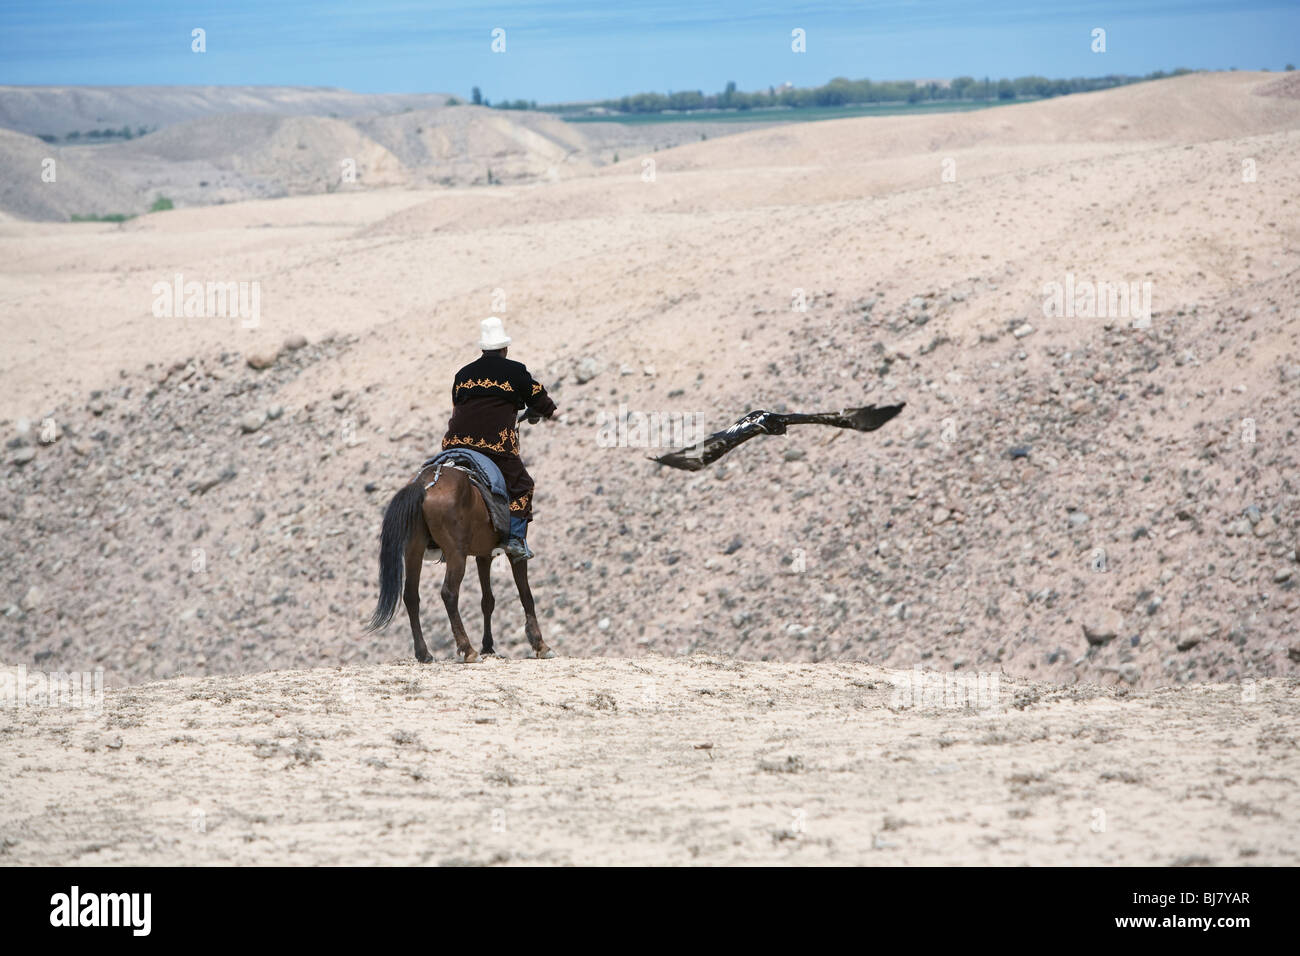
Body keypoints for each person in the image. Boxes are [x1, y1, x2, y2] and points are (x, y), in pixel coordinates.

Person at [441, 317, 556, 561]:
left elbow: (456, 406)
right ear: (505, 349)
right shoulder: (515, 370)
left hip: (454, 443)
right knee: (522, 486)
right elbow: (539, 397)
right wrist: (548, 411)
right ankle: (515, 539)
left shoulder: (462, 374)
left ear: (483, 349)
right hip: (495, 445)